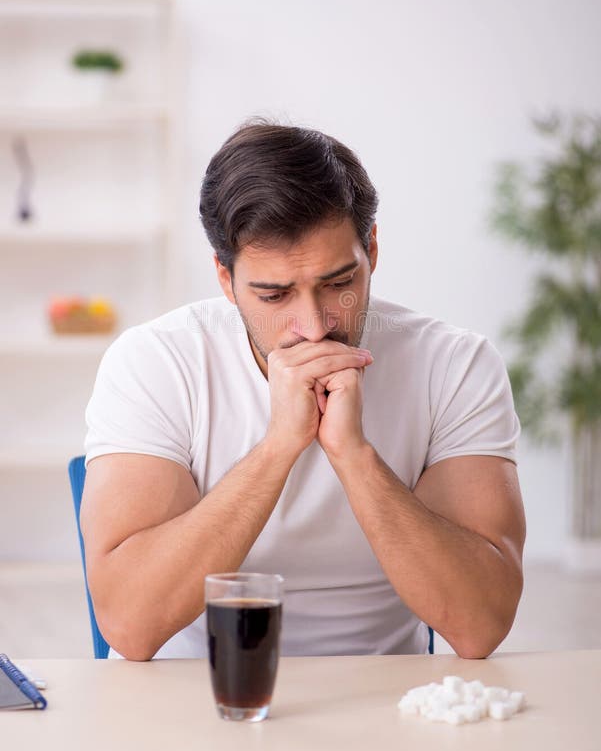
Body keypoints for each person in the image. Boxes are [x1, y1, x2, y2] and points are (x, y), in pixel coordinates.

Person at [81, 122, 526, 662]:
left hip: (388, 700)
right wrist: (278, 448)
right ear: (225, 279)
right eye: (274, 295)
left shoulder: (455, 365)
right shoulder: (155, 362)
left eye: (339, 284)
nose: (313, 327)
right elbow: (130, 625)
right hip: (201, 696)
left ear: (373, 250)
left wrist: (355, 457)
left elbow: (481, 625)